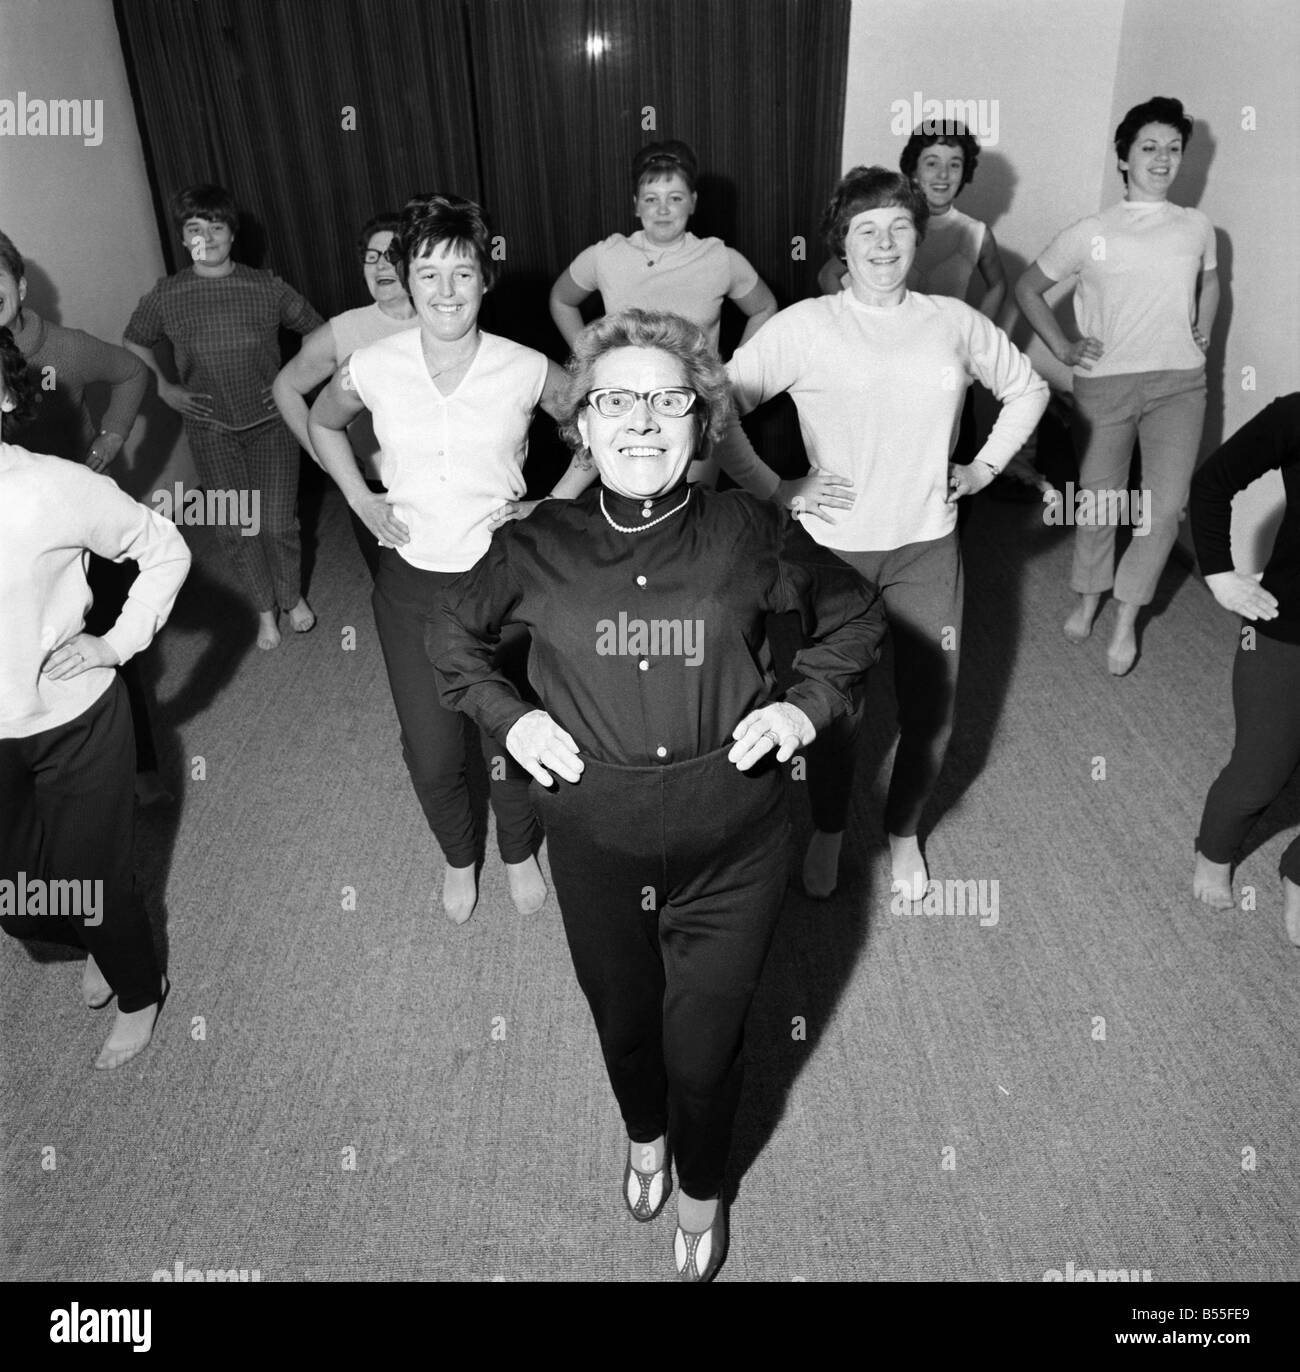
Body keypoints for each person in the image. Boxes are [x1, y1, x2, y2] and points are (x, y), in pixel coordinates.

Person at [434, 308, 886, 1281]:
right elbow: (452, 644)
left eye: (668, 400)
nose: (641, 421)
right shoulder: (532, 544)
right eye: (616, 401)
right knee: (626, 1025)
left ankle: (701, 1188)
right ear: (583, 427)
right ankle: (643, 1135)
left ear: (702, 423)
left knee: (706, 1048)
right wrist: (511, 718)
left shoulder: (751, 530)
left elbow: (852, 617)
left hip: (738, 841)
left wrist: (805, 707)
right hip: (596, 843)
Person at [715, 166, 1048, 901]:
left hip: (926, 544)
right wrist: (778, 487)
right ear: (841, 242)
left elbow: (1029, 388)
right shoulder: (804, 326)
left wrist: (985, 469)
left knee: (934, 705)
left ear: (918, 237)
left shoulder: (952, 322)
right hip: (832, 551)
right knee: (833, 709)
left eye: (899, 226)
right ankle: (831, 829)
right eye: (866, 228)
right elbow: (717, 406)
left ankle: (903, 835)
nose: (885, 241)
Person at [308, 193, 593, 924]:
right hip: (409, 585)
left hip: (503, 581)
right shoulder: (371, 364)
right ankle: (459, 855)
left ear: (484, 279)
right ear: (406, 276)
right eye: (428, 272)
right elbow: (320, 419)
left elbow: (594, 429)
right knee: (433, 749)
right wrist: (362, 500)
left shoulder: (524, 367)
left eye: (461, 273)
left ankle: (519, 849)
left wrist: (550, 503)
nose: (444, 291)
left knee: (510, 731)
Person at [0, 326, 191, 1069]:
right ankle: (97, 932)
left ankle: (140, 987)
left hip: (75, 720)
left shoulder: (51, 486)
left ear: (7, 394)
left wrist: (116, 643)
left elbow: (165, 548)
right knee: (18, 903)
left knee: (96, 879)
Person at [1015, 96, 1218, 675]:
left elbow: (1210, 283)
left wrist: (1202, 327)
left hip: (1180, 385)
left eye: (1174, 149)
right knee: (1101, 503)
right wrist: (1061, 346)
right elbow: (1030, 287)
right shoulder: (1091, 232)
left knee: (1164, 508)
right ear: (1124, 158)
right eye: (1149, 148)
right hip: (1105, 387)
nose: (1163, 159)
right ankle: (1087, 597)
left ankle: (1127, 616)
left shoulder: (1197, 226)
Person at [0, 228, 170, 804]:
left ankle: (142, 767)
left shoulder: (64, 347)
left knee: (108, 648)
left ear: (19, 285)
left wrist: (110, 441)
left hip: (82, 520)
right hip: (16, 540)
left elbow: (133, 372)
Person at [124, 184, 324, 650]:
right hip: (211, 431)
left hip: (272, 425)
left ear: (233, 234)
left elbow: (319, 332)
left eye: (217, 227)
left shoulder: (266, 287)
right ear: (183, 238)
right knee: (238, 526)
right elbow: (134, 341)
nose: (207, 238)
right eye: (195, 229)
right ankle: (263, 610)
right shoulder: (167, 295)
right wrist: (164, 389)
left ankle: (292, 597)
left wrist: (291, 386)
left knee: (276, 523)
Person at [549, 140, 777, 487]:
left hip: (690, 410)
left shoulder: (719, 258)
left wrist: (728, 375)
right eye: (651, 199)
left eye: (675, 197)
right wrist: (592, 357)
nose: (663, 209)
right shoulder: (606, 255)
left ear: (693, 203)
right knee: (624, 502)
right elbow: (561, 300)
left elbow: (764, 307)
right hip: (624, 408)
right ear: (636, 205)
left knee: (690, 512)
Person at [1189, 393, 1300, 946]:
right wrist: (1219, 573)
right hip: (1285, 629)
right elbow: (1212, 483)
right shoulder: (1296, 415)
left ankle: (1299, 873)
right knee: (1260, 773)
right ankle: (1213, 854)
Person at [272, 212, 417, 578]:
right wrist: (321, 452)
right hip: (375, 485)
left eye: (394, 254)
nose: (381, 264)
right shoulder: (344, 329)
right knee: (391, 581)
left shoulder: (445, 319)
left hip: (444, 477)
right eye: (372, 256)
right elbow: (285, 386)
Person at [817, 122, 1006, 319]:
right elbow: (827, 275)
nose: (943, 174)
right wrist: (855, 322)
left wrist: (980, 331)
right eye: (932, 163)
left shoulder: (977, 235)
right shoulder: (884, 219)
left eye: (955, 165)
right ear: (914, 169)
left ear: (964, 172)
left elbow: (998, 285)